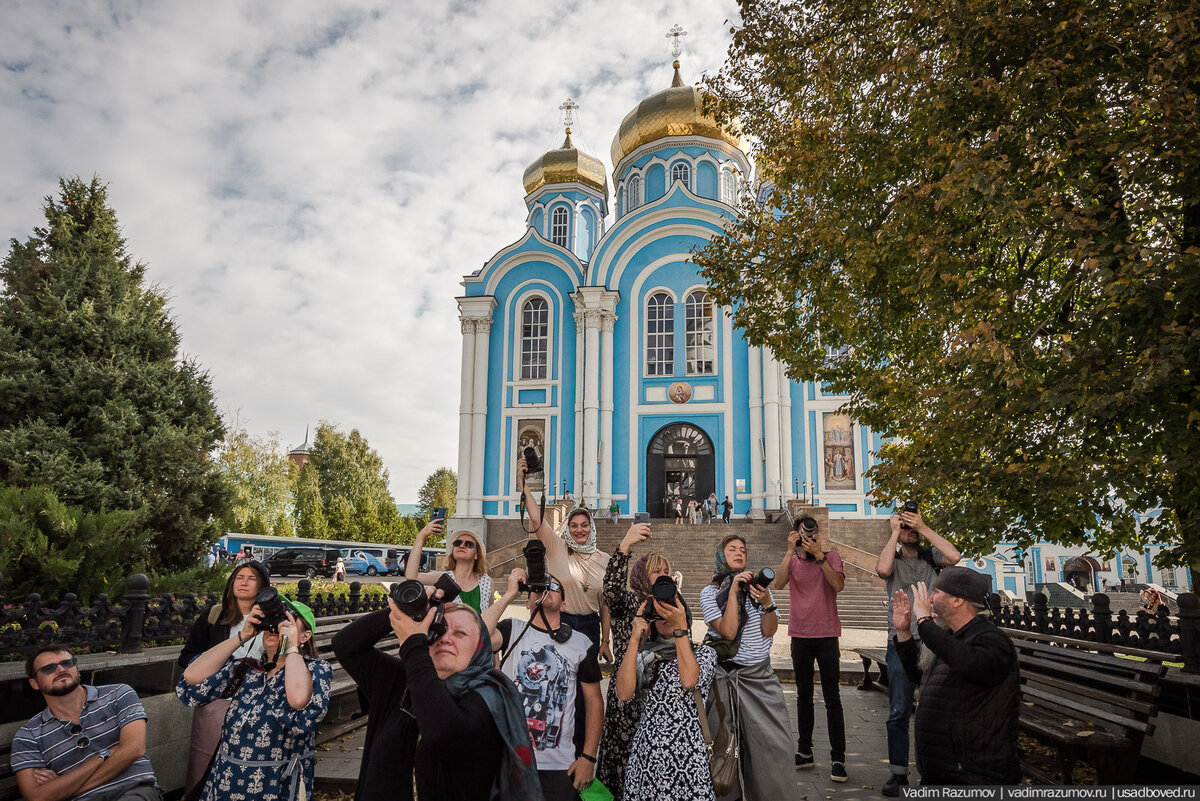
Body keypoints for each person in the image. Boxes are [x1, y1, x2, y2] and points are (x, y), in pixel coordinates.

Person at [332, 592, 541, 801]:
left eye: (460, 633)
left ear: (480, 647)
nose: (446, 638)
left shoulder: (489, 697)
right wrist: (411, 609)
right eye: (437, 630)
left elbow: (445, 733)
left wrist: (414, 648)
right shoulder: (399, 681)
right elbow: (346, 645)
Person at [176, 599, 331, 801]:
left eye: (287, 622)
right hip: (225, 782)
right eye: (272, 622)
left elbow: (299, 703)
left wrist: (291, 647)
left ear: (305, 635)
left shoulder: (316, 670)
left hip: (275, 785)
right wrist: (244, 635)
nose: (275, 628)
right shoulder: (249, 669)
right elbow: (192, 678)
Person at [891, 569, 1020, 785]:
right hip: (941, 771)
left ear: (958, 600)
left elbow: (968, 662)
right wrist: (903, 632)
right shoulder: (950, 637)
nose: (930, 599)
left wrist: (924, 620)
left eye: (936, 592)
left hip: (974, 774)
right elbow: (919, 676)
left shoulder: (991, 639)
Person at [487, 571, 603, 801]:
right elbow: (477, 635)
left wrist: (588, 758)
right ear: (528, 601)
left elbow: (594, 703)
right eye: (539, 588)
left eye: (553, 587)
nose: (546, 589)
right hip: (509, 760)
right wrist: (510, 593)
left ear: (564, 604)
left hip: (559, 765)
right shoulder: (513, 629)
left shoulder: (581, 643)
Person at [874, 506, 961, 795]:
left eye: (912, 522)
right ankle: (898, 773)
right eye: (904, 522)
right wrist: (894, 533)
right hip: (901, 640)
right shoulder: (894, 559)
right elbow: (883, 569)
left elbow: (955, 557)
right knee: (899, 709)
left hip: (934, 640)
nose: (909, 528)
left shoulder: (931, 558)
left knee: (936, 709)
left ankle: (935, 772)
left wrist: (922, 527)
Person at [700, 533, 794, 800]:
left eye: (742, 549)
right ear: (721, 555)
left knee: (774, 747)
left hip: (759, 677)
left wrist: (765, 602)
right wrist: (732, 591)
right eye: (732, 549)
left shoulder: (760, 590)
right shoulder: (710, 592)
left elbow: (770, 630)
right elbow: (727, 631)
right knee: (723, 749)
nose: (739, 553)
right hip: (724, 679)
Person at [13, 645, 161, 801]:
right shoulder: (28, 736)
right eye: (49, 668)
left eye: (67, 663)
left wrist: (64, 789)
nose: (61, 669)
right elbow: (38, 797)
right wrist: (104, 755)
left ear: (77, 669)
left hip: (133, 791)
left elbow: (134, 750)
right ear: (34, 683)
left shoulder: (118, 694)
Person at [176, 559, 270, 793]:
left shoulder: (270, 620)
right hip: (217, 701)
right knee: (204, 761)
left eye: (251, 579)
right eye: (239, 578)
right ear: (231, 584)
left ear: (262, 587)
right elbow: (186, 655)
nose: (244, 583)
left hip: (256, 703)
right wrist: (214, 670)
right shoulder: (215, 616)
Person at [616, 590, 717, 801]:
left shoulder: (705, 654)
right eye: (660, 613)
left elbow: (689, 681)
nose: (667, 617)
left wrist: (680, 629)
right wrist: (634, 639)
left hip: (689, 760)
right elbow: (624, 694)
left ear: (685, 615)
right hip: (646, 759)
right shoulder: (643, 655)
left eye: (673, 610)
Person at [774, 516, 848, 782]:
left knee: (832, 697)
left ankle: (838, 757)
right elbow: (779, 583)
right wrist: (789, 550)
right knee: (803, 694)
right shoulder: (793, 561)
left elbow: (837, 585)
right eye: (805, 535)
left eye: (813, 534)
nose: (810, 539)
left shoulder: (832, 557)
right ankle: (804, 750)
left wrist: (819, 556)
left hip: (827, 635)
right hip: (800, 635)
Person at [518, 457, 611, 659]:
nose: (579, 530)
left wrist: (605, 641)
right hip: (559, 622)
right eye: (574, 525)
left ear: (591, 528)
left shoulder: (605, 559)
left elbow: (605, 605)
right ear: (567, 528)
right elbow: (536, 518)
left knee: (587, 684)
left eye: (584, 525)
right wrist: (523, 484)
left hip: (590, 626)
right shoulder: (556, 546)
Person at [596, 521, 658, 797]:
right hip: (627, 699)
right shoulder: (629, 605)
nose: (664, 576)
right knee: (622, 762)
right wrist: (624, 546)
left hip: (657, 701)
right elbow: (610, 591)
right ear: (642, 576)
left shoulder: (671, 609)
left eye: (667, 572)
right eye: (657, 571)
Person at [405, 519, 493, 613]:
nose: (461, 546)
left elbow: (491, 618)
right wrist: (421, 537)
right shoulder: (443, 577)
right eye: (457, 543)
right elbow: (411, 576)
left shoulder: (487, 582)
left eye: (468, 544)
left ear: (476, 555)